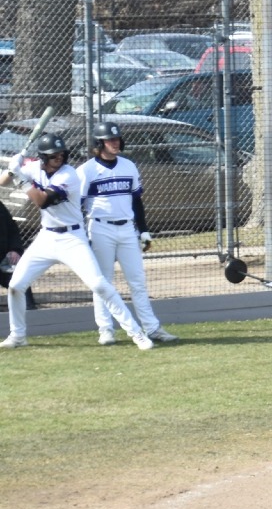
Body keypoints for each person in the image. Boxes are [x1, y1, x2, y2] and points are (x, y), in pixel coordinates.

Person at [1, 133, 151, 350]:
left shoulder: (69, 175)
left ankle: (136, 333)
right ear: (43, 158)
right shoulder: (34, 167)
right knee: (15, 285)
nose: (59, 159)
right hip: (47, 237)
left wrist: (22, 180)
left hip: (72, 238)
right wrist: (11, 169)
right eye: (53, 157)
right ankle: (17, 335)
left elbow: (42, 201)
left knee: (99, 284)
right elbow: (2, 183)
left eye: (62, 155)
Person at [78, 121, 176, 344]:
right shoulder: (86, 170)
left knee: (138, 281)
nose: (115, 143)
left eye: (117, 139)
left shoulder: (128, 166)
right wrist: (82, 234)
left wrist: (144, 231)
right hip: (100, 228)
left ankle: (151, 328)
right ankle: (105, 329)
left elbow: (136, 201)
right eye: (110, 140)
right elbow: (77, 204)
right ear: (98, 144)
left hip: (127, 230)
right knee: (103, 282)